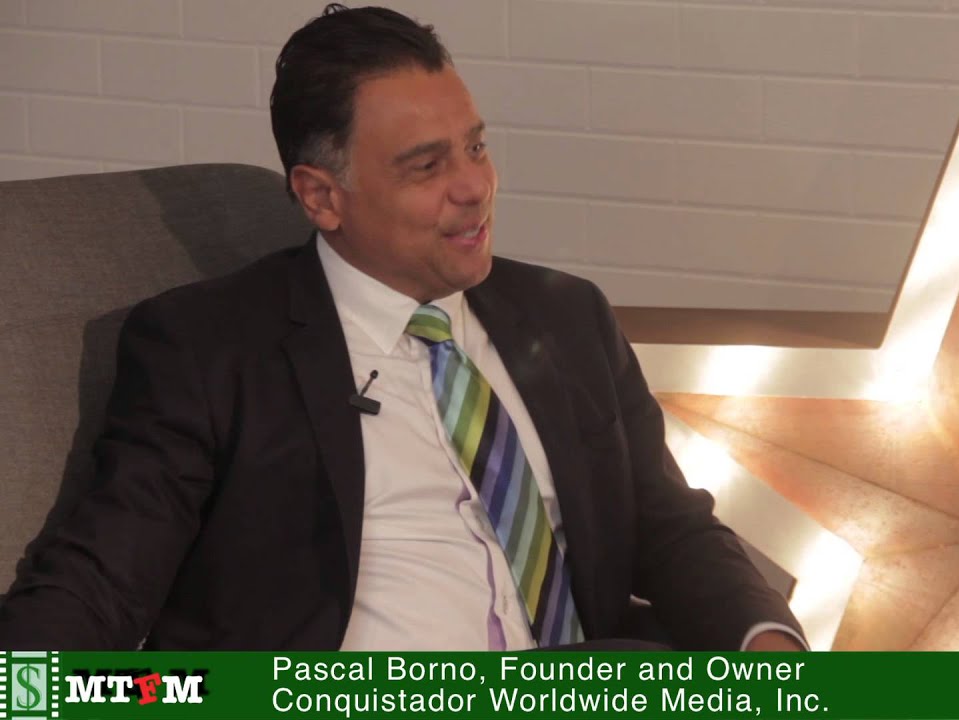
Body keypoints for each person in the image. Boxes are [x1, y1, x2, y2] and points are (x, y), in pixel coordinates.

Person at [0, 4, 803, 651]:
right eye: (428, 166)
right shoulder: (209, 347)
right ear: (321, 196)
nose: (474, 187)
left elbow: (668, 526)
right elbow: (101, 577)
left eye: (476, 148)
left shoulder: (566, 316)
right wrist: (27, 692)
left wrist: (768, 647)